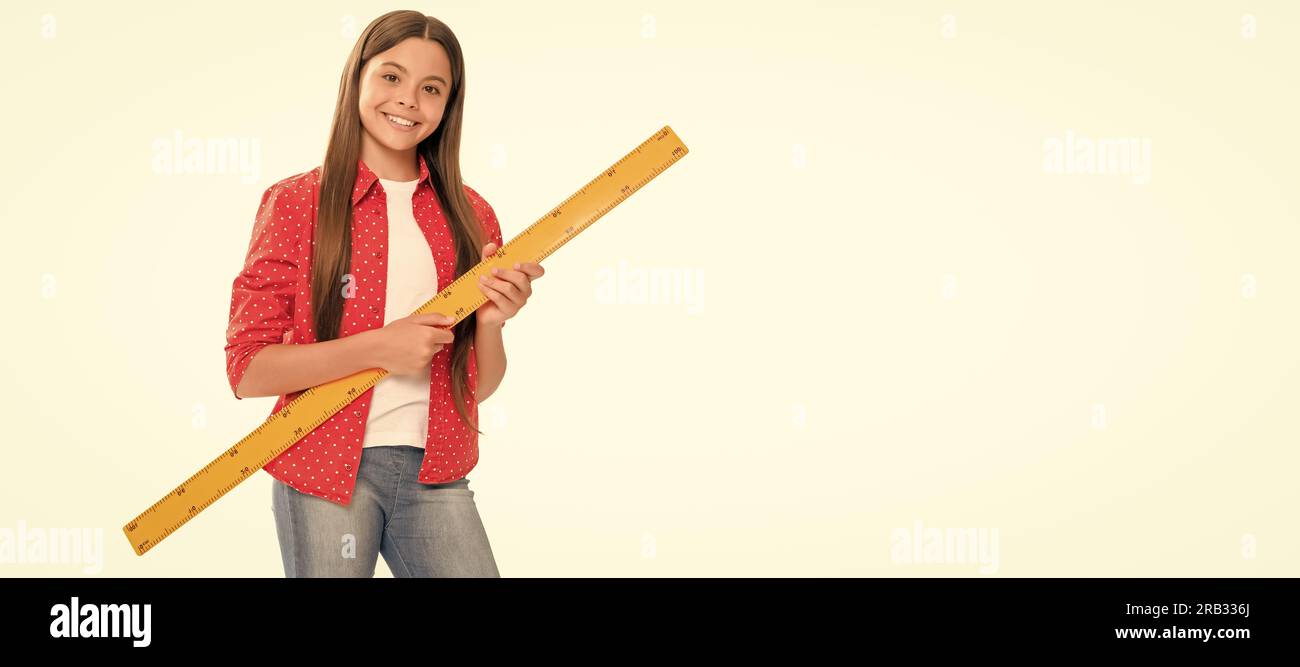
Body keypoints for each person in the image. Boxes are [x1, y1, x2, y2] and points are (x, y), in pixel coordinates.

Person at [223, 10, 544, 577]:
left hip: (437, 474)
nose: (409, 101)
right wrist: (380, 348)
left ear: (449, 104)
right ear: (357, 79)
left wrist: (491, 324)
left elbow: (478, 387)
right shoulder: (296, 203)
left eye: (431, 88)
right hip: (322, 471)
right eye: (391, 77)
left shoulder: (471, 216)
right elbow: (248, 371)